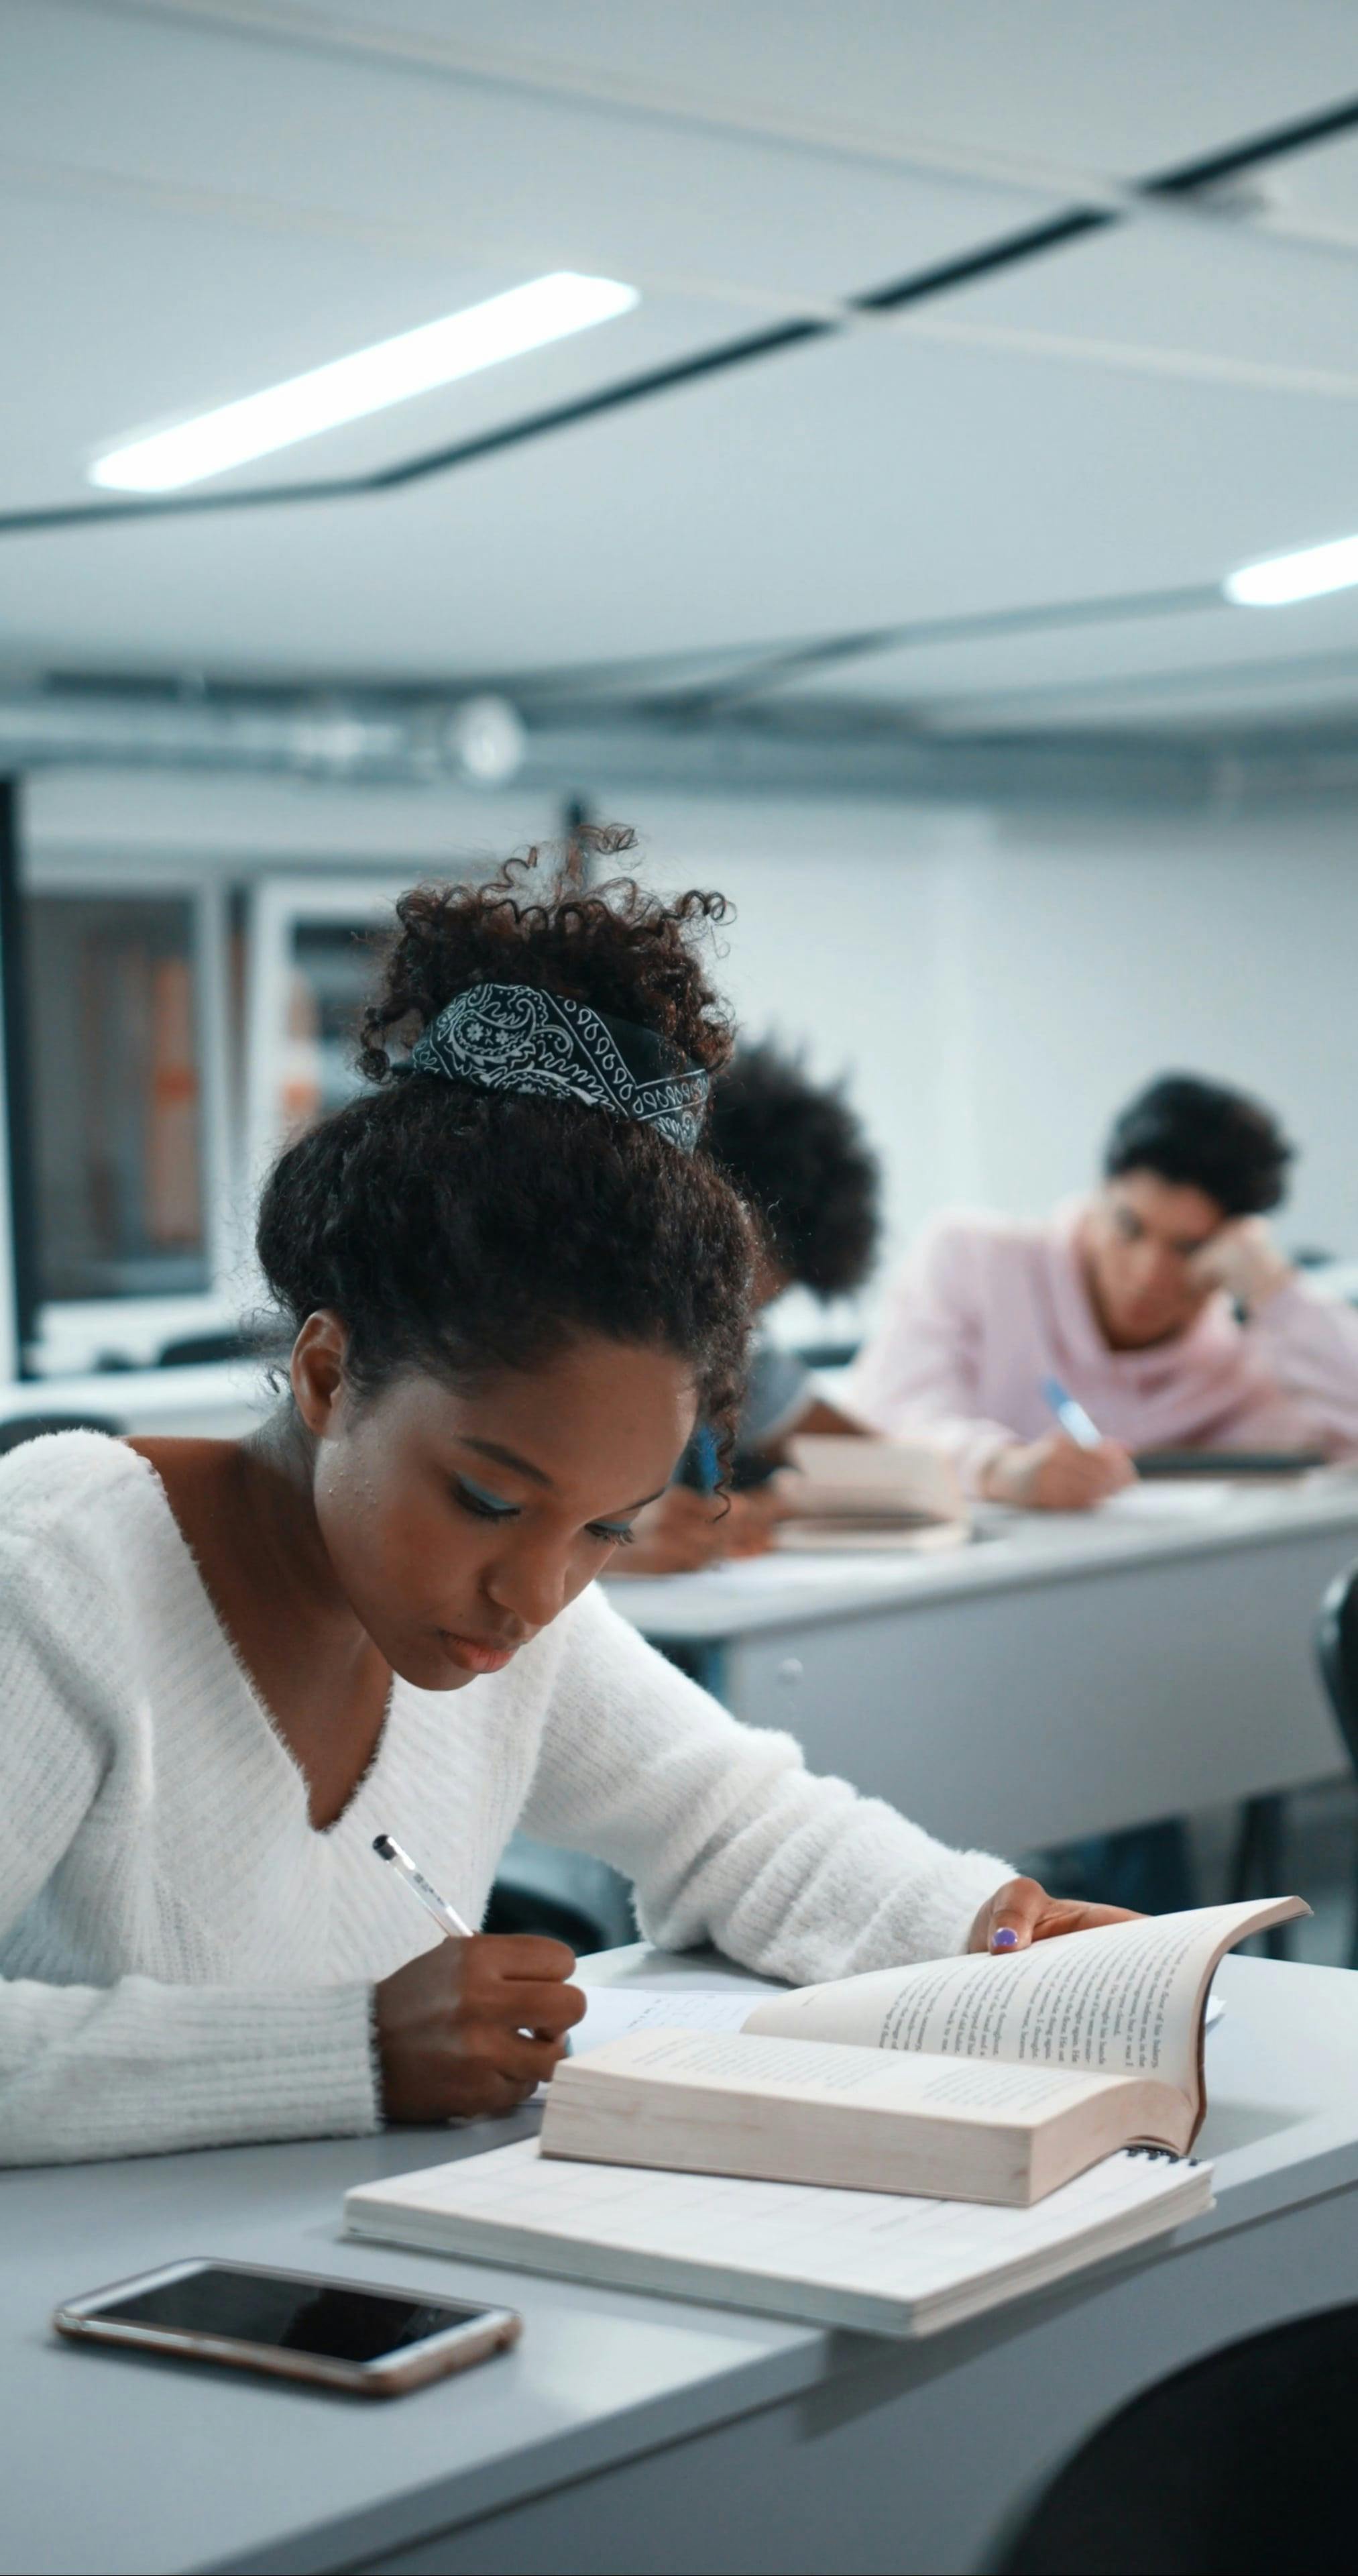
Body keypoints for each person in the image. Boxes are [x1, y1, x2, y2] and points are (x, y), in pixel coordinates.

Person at [0, 843, 1131, 2167]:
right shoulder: (58, 1567)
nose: (533, 1598)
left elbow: (734, 1824)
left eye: (605, 1528)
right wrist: (342, 2050)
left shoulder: (500, 1616)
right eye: (486, 1497)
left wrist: (994, 1927)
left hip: (346, 2280)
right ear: (326, 1371)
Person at [843, 1073, 1358, 1511]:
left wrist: (1277, 1292)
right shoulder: (971, 1258)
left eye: (1187, 1248)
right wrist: (1000, 1468)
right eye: (1129, 1228)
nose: (1147, 1273)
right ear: (1100, 1193)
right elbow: (883, 1427)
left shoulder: (1247, 1360)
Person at [617, 1042, 880, 1574]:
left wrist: (779, 1503)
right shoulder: (561, 1332)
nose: (734, 1327)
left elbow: (888, 1469)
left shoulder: (741, 1361)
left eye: (761, 1307)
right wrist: (599, 1539)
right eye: (725, 1288)